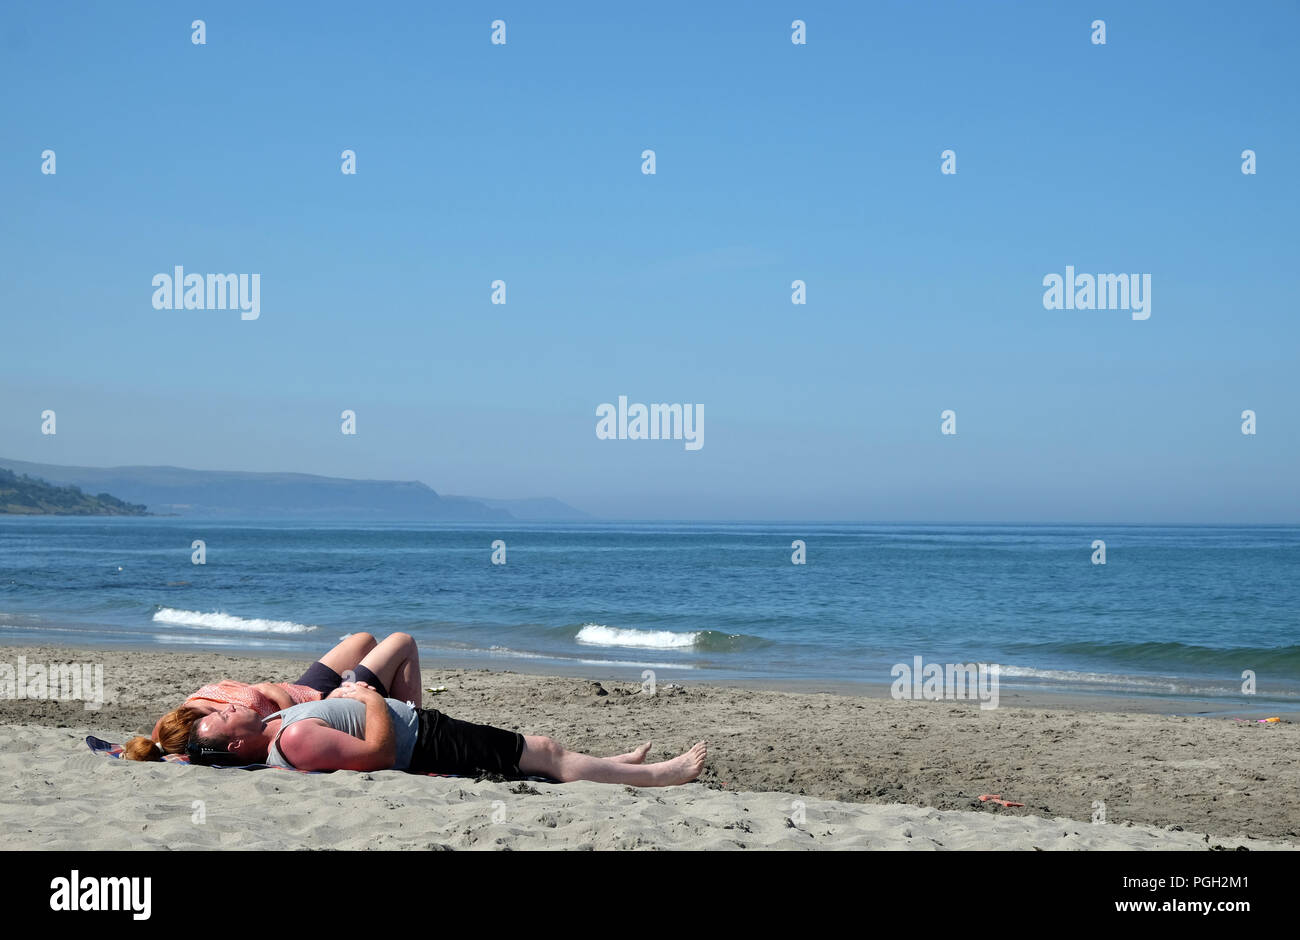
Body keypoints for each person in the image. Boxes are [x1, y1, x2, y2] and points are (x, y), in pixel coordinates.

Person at [188, 680, 708, 786]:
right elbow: (378, 755)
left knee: (533, 753)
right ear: (236, 743)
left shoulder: (275, 729)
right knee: (542, 751)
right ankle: (662, 776)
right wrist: (368, 697)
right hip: (424, 742)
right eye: (225, 716)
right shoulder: (292, 743)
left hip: (423, 729)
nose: (232, 707)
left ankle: (614, 764)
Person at [124, 632, 421, 760]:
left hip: (301, 686)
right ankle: (416, 724)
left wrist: (149, 751)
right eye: (213, 716)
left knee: (363, 640)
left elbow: (159, 740)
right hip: (323, 701)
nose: (222, 709)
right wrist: (277, 696)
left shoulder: (177, 720)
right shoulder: (230, 726)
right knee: (402, 643)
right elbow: (284, 717)